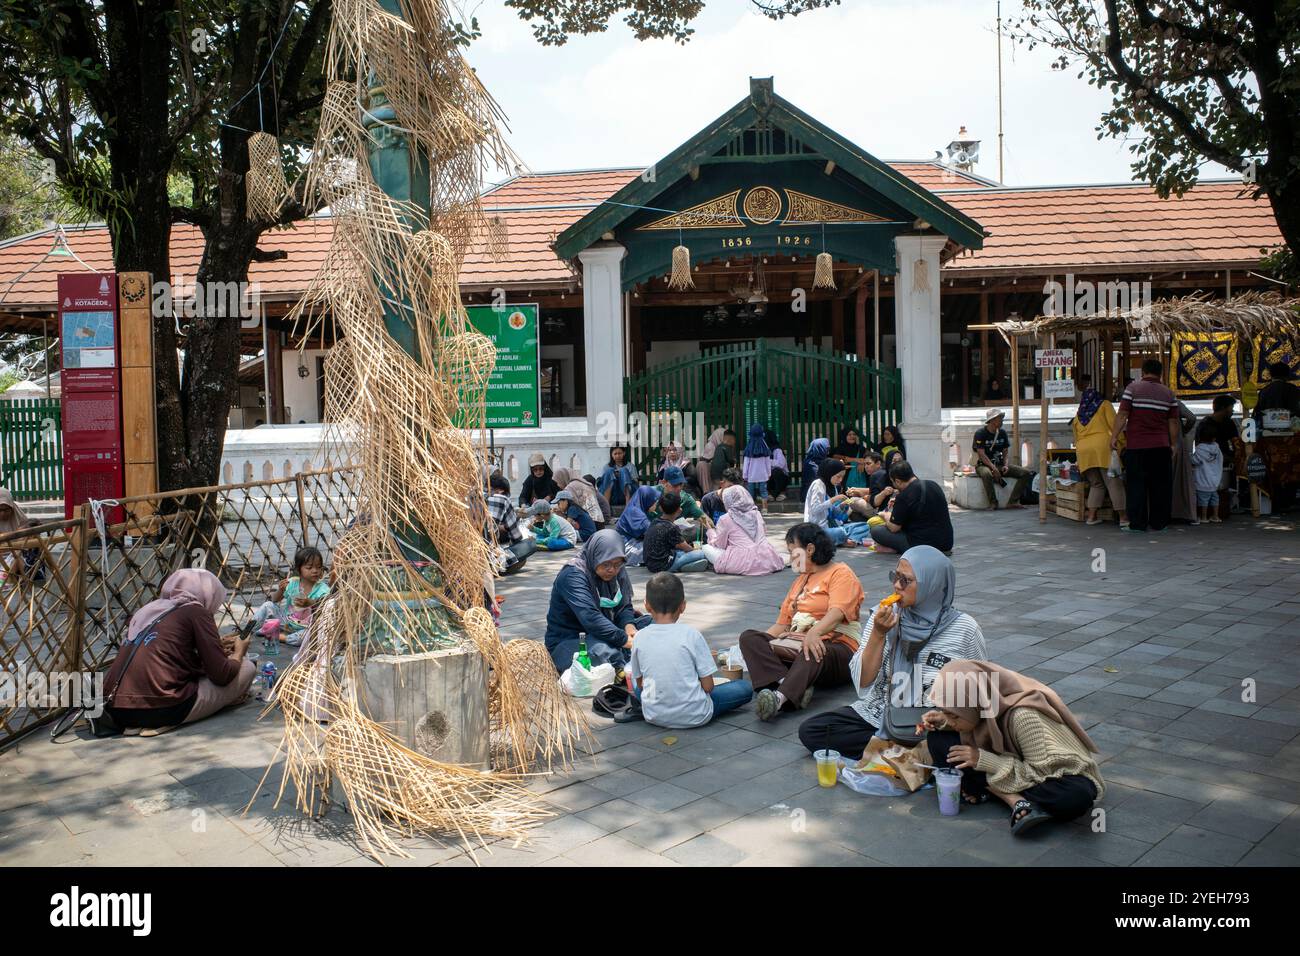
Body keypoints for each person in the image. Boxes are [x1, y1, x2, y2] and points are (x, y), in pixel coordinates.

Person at [798, 546, 987, 759]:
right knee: (812, 731)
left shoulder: (964, 629)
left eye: (906, 580)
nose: (897, 585)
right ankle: (908, 755)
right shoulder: (884, 615)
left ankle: (894, 752)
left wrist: (949, 719)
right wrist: (879, 634)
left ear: (932, 585)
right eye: (895, 576)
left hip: (933, 724)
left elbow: (981, 695)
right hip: (881, 713)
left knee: (948, 748)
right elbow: (863, 682)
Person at [923, 660, 1104, 835]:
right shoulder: (984, 705)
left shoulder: (1024, 716)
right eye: (947, 712)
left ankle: (994, 792)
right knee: (939, 739)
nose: (951, 720)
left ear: (974, 703)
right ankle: (1014, 799)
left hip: (1052, 772)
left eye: (954, 715)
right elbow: (980, 724)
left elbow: (1038, 772)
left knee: (1075, 797)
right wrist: (943, 721)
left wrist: (983, 760)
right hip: (1014, 767)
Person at [102, 569, 256, 735]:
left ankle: (137, 725)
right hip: (164, 709)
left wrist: (215, 646)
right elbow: (221, 675)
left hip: (116, 709)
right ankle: (169, 721)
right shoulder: (196, 612)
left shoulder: (148, 611)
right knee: (246, 667)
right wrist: (239, 651)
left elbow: (166, 653)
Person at [737, 523, 864, 721]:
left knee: (812, 648)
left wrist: (814, 633)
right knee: (749, 638)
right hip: (798, 644)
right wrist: (762, 646)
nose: (790, 559)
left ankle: (780, 698)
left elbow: (837, 613)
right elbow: (781, 625)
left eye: (792, 552)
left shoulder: (841, 573)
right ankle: (789, 683)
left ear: (810, 549)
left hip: (837, 648)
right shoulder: (801, 580)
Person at [630, 572, 753, 728]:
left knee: (635, 682)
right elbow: (708, 687)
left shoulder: (640, 637)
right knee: (744, 688)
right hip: (695, 714)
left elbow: (641, 685)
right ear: (683, 606)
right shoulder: (692, 635)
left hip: (654, 714)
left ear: (647, 605)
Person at [544, 529, 650, 676]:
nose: (612, 570)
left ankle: (629, 659)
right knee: (603, 653)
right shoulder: (572, 576)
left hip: (609, 630)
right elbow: (591, 618)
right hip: (572, 639)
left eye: (617, 564)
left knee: (654, 624)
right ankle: (629, 660)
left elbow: (624, 605)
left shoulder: (618, 568)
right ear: (596, 555)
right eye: (606, 564)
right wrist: (625, 639)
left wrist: (629, 627)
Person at [1110, 358, 1180, 533]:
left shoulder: (1132, 389)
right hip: (1161, 446)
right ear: (1160, 373)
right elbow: (1173, 422)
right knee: (1160, 487)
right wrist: (1173, 444)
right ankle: (1159, 523)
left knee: (1136, 486)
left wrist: (1114, 436)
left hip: (1137, 446)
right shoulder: (1169, 394)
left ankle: (1138, 524)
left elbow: (1123, 414)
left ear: (1143, 372)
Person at [1071, 383, 1128, 527]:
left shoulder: (1078, 415)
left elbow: (1075, 437)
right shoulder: (1104, 405)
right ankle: (1123, 518)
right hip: (1103, 449)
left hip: (1084, 451)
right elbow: (1115, 425)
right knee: (1113, 483)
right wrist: (1121, 442)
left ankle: (1091, 517)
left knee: (1096, 484)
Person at [868, 460, 954, 554]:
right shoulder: (933, 485)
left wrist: (885, 515)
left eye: (893, 482)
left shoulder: (904, 496)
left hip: (922, 546)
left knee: (876, 530)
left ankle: (898, 549)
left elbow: (894, 527)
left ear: (897, 481)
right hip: (946, 543)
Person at [253, 546, 330, 645]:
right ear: (299, 569)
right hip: (286, 622)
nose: (315, 571)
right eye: (309, 567)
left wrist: (311, 603)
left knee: (307, 637)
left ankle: (277, 636)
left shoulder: (323, 589)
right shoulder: (292, 582)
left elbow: (327, 606)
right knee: (268, 605)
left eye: (318, 567)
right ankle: (250, 630)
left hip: (307, 627)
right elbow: (275, 599)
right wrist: (281, 590)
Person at [702, 484, 785, 575]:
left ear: (728, 500)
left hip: (742, 561)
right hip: (768, 558)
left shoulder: (726, 518)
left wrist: (710, 531)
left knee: (706, 547)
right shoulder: (757, 514)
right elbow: (763, 533)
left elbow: (719, 544)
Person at [803, 458, 872, 546]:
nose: (840, 480)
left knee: (865, 526)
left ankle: (848, 540)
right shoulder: (818, 484)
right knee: (840, 532)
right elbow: (814, 509)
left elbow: (833, 513)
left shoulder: (832, 487)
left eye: (842, 477)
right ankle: (844, 540)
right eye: (838, 476)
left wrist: (842, 505)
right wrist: (833, 499)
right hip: (816, 529)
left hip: (830, 526)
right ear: (829, 474)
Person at [972, 408, 1031, 509]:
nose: (1002, 421)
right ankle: (993, 502)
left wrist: (1006, 465)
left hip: (999, 464)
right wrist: (993, 468)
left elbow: (1005, 452)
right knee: (987, 474)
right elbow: (981, 454)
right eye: (1000, 418)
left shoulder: (1002, 433)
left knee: (1025, 473)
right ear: (993, 420)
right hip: (983, 465)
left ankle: (1013, 501)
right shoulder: (980, 433)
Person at [643, 491, 711, 573]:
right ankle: (681, 566)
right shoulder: (671, 527)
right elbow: (686, 548)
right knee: (702, 554)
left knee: (679, 553)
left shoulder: (655, 521)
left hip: (650, 565)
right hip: (664, 566)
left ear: (660, 508)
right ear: (679, 510)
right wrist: (695, 550)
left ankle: (685, 565)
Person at [486, 474, 537, 572]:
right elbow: (516, 537)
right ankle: (495, 568)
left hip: (468, 557)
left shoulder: (471, 497)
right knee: (529, 544)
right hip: (487, 558)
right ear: (501, 491)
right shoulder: (502, 499)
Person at [1200, 394, 1239, 520]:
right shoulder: (1205, 425)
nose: (1233, 410)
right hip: (1210, 464)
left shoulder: (1230, 423)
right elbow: (1201, 450)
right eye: (1231, 407)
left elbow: (1236, 443)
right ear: (1223, 408)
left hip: (1227, 461)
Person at [0, 488, 41, 582]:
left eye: (6, 510)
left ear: (12, 507)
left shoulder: (20, 519)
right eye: (0, 510)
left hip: (19, 558)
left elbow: (30, 540)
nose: (3, 513)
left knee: (18, 559)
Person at [614, 485, 661, 566]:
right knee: (658, 549)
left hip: (631, 541)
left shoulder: (637, 507)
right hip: (625, 547)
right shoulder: (635, 512)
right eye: (655, 501)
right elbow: (653, 532)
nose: (656, 504)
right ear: (647, 500)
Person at [657, 465, 713, 530]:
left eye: (681, 484)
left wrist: (714, 533)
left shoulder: (686, 500)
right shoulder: (651, 495)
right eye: (674, 485)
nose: (679, 488)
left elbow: (704, 519)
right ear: (664, 483)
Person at [1170, 400, 1199, 523]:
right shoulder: (1175, 403)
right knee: (1180, 479)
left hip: (1157, 442)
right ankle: (1181, 512)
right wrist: (1183, 431)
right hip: (1177, 442)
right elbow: (1191, 417)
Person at [1191, 418, 1224, 525]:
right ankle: (1215, 516)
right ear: (1214, 438)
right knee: (1215, 500)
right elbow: (1221, 459)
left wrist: (1188, 456)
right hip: (1214, 482)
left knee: (1203, 501)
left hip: (1202, 482)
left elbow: (1195, 461)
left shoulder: (1200, 449)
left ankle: (1204, 517)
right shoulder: (1216, 448)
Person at [742, 422, 773, 511]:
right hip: (763, 474)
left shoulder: (749, 448)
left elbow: (746, 463)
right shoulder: (765, 447)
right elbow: (768, 462)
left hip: (751, 475)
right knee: (763, 491)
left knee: (750, 492)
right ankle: (765, 509)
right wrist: (769, 473)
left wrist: (745, 475)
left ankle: (751, 509)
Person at [801, 437, 831, 501]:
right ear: (820, 449)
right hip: (812, 497)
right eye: (826, 449)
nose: (828, 452)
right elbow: (820, 480)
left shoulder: (821, 460)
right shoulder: (811, 464)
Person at [766, 430, 791, 500]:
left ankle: (782, 492)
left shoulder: (777, 450)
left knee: (776, 471)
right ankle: (768, 494)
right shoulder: (765, 450)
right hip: (770, 479)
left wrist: (767, 462)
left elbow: (781, 464)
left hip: (782, 478)